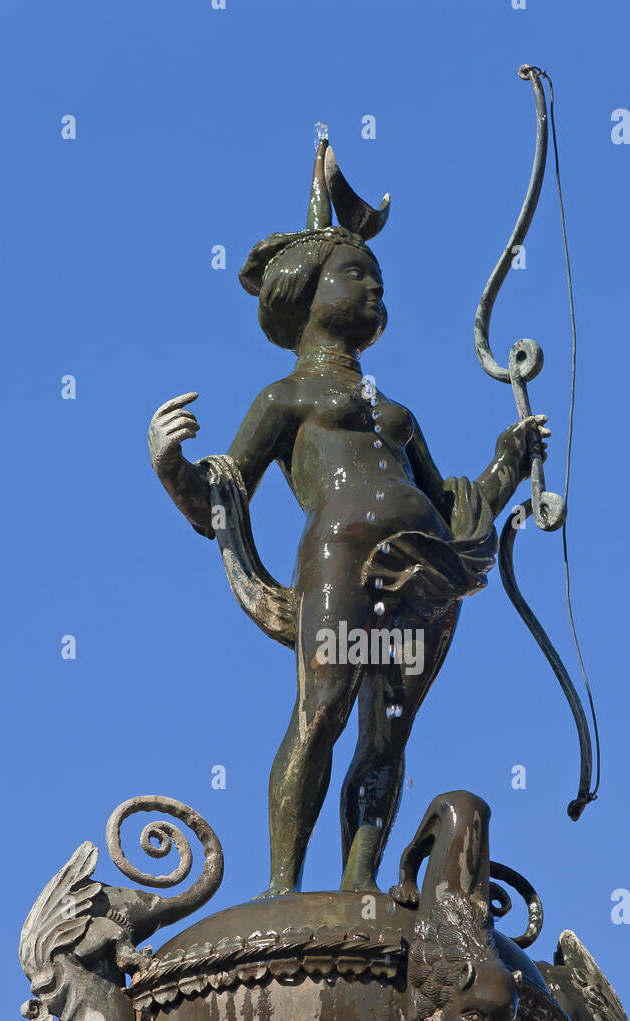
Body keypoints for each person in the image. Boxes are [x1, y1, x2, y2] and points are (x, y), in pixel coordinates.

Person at [149, 138, 549, 896]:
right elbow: (219, 498)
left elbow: (454, 503)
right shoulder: (286, 399)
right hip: (342, 555)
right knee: (323, 709)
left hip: (426, 568)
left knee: (388, 728)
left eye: (379, 282)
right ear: (303, 292)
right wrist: (169, 464)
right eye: (356, 276)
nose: (374, 293)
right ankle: (282, 889)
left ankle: (360, 882)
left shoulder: (394, 412)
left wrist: (508, 459)